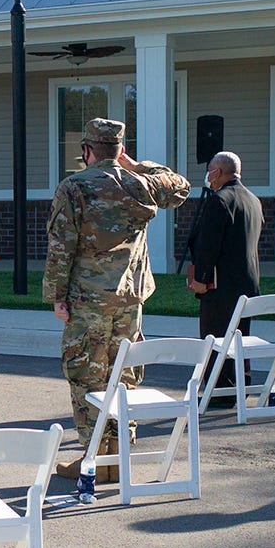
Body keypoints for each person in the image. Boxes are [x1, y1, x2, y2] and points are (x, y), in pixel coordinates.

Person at [43, 118, 190, 482]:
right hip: (130, 299)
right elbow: (181, 186)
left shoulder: (74, 186)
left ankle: (93, 459)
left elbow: (61, 246)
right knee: (123, 375)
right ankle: (117, 456)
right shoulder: (141, 184)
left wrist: (56, 297)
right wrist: (134, 165)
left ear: (87, 151)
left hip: (88, 300)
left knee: (86, 376)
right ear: (120, 150)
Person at [184, 151, 263, 408]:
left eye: (209, 171)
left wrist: (201, 279)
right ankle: (238, 388)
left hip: (219, 285)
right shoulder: (253, 200)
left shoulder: (220, 200)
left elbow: (209, 245)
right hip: (246, 285)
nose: (208, 176)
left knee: (215, 340)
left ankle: (219, 393)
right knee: (239, 339)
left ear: (217, 172)